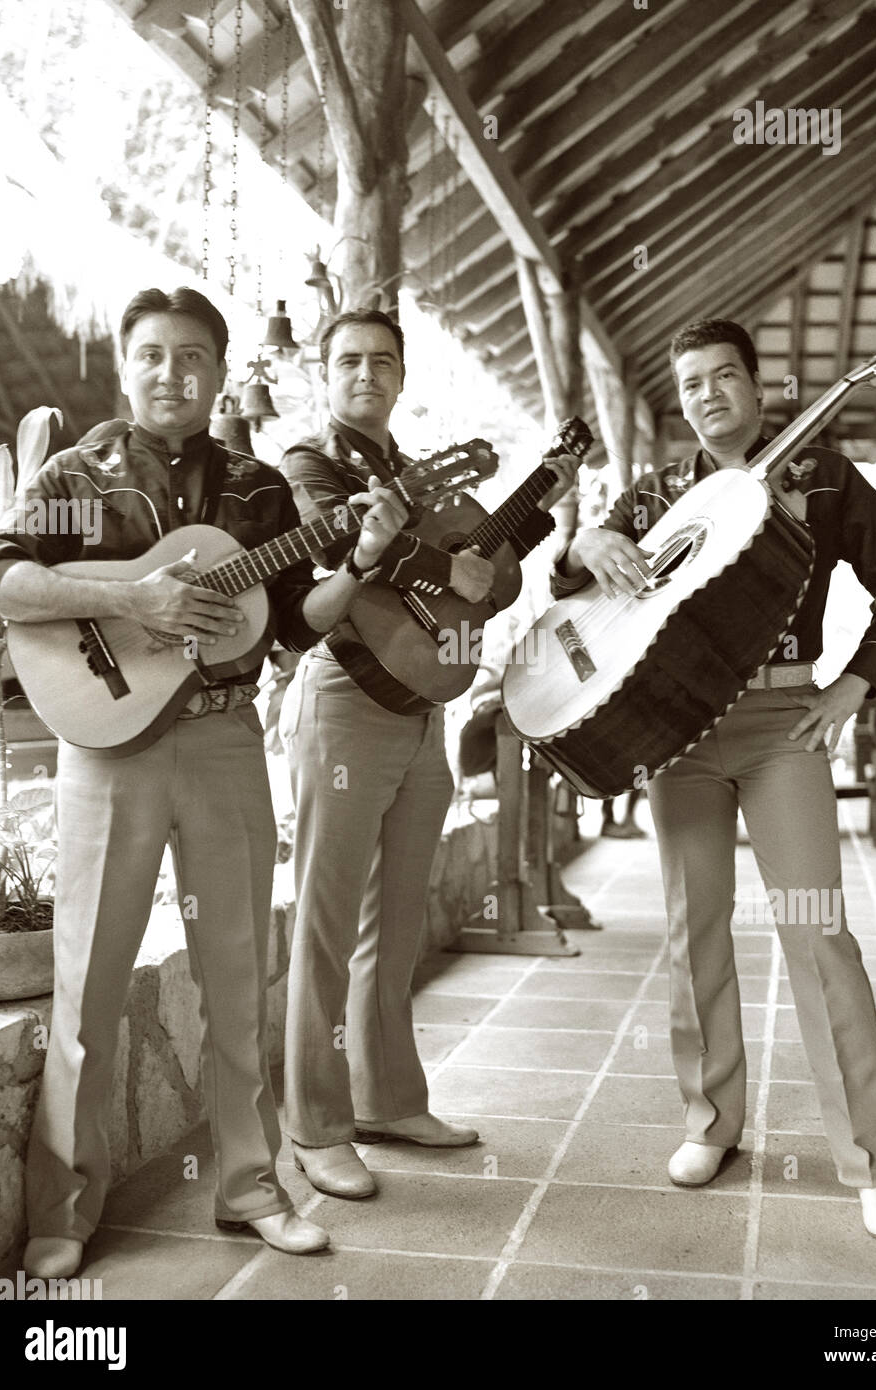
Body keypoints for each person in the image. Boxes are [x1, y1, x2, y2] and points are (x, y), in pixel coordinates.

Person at [0, 287, 410, 1277]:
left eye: (192, 358)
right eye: (153, 355)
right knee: (86, 987)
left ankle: (251, 1185)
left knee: (232, 975)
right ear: (124, 365)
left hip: (224, 744)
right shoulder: (77, 476)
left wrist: (370, 556)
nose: (172, 374)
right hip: (107, 752)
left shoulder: (259, 491)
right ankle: (66, 1205)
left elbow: (303, 618)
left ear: (219, 370)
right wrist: (132, 597)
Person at [550, 318, 876, 1240]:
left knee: (818, 931)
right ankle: (711, 1121)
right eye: (692, 384)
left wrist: (850, 686)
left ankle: (871, 1160)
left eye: (727, 376)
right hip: (678, 731)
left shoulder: (829, 476)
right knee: (694, 925)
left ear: (761, 388)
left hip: (781, 724)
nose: (710, 394)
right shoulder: (654, 494)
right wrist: (587, 544)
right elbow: (570, 595)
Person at [279, 309, 579, 1198]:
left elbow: (480, 571)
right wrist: (445, 572)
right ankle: (315, 1123)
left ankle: (389, 1098)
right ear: (324, 374)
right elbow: (339, 543)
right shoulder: (310, 463)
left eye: (382, 361)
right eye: (348, 361)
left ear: (402, 376)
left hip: (425, 709)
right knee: (326, 924)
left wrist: (534, 511)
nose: (366, 373)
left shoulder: (414, 472)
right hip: (346, 704)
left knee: (396, 918)